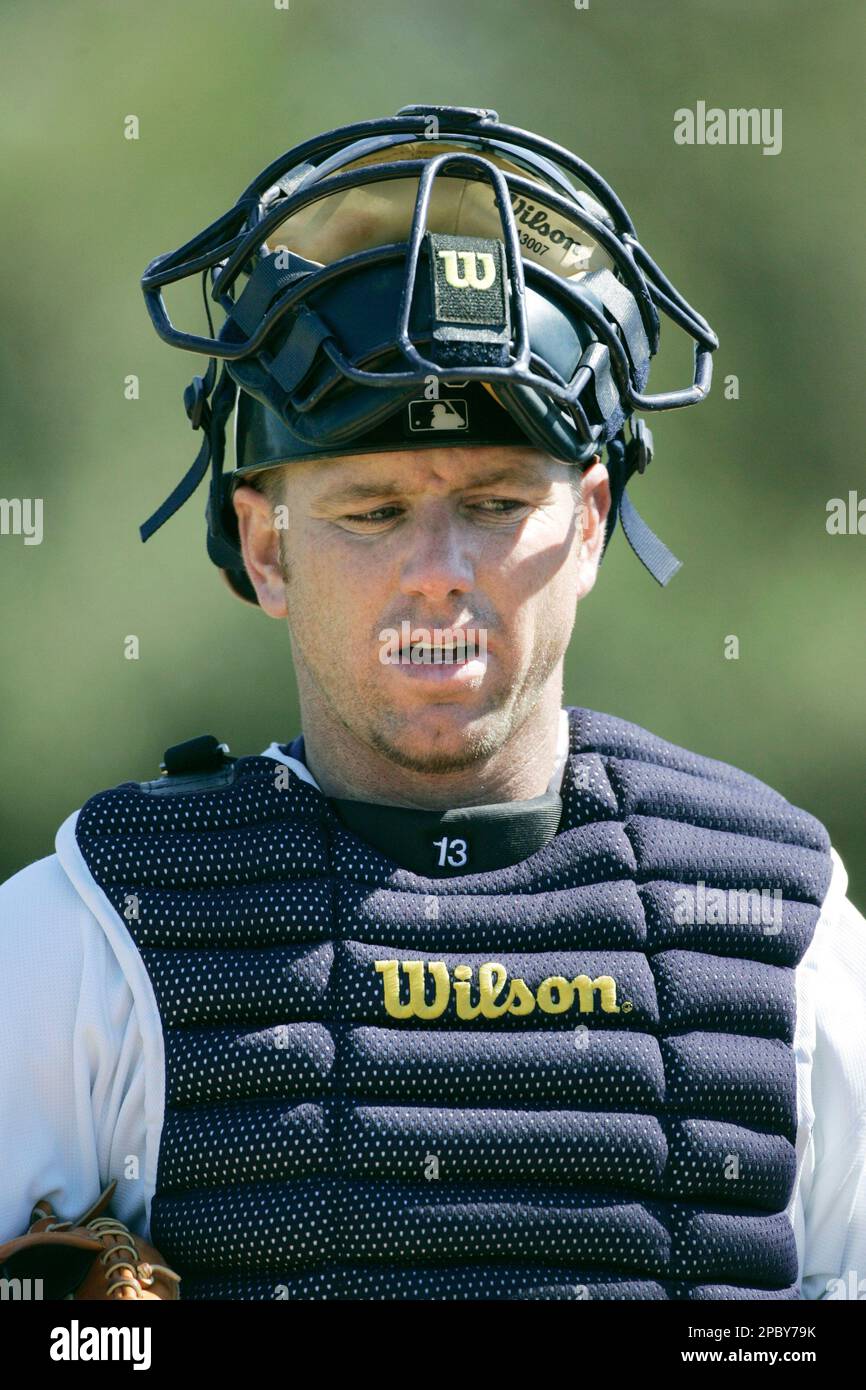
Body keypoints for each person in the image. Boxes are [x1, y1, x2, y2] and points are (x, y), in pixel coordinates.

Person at [1, 105, 864, 1302]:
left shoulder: (783, 931)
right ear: (265, 546)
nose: (438, 567)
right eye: (368, 509)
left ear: (591, 524)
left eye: (499, 500)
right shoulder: (85, 940)